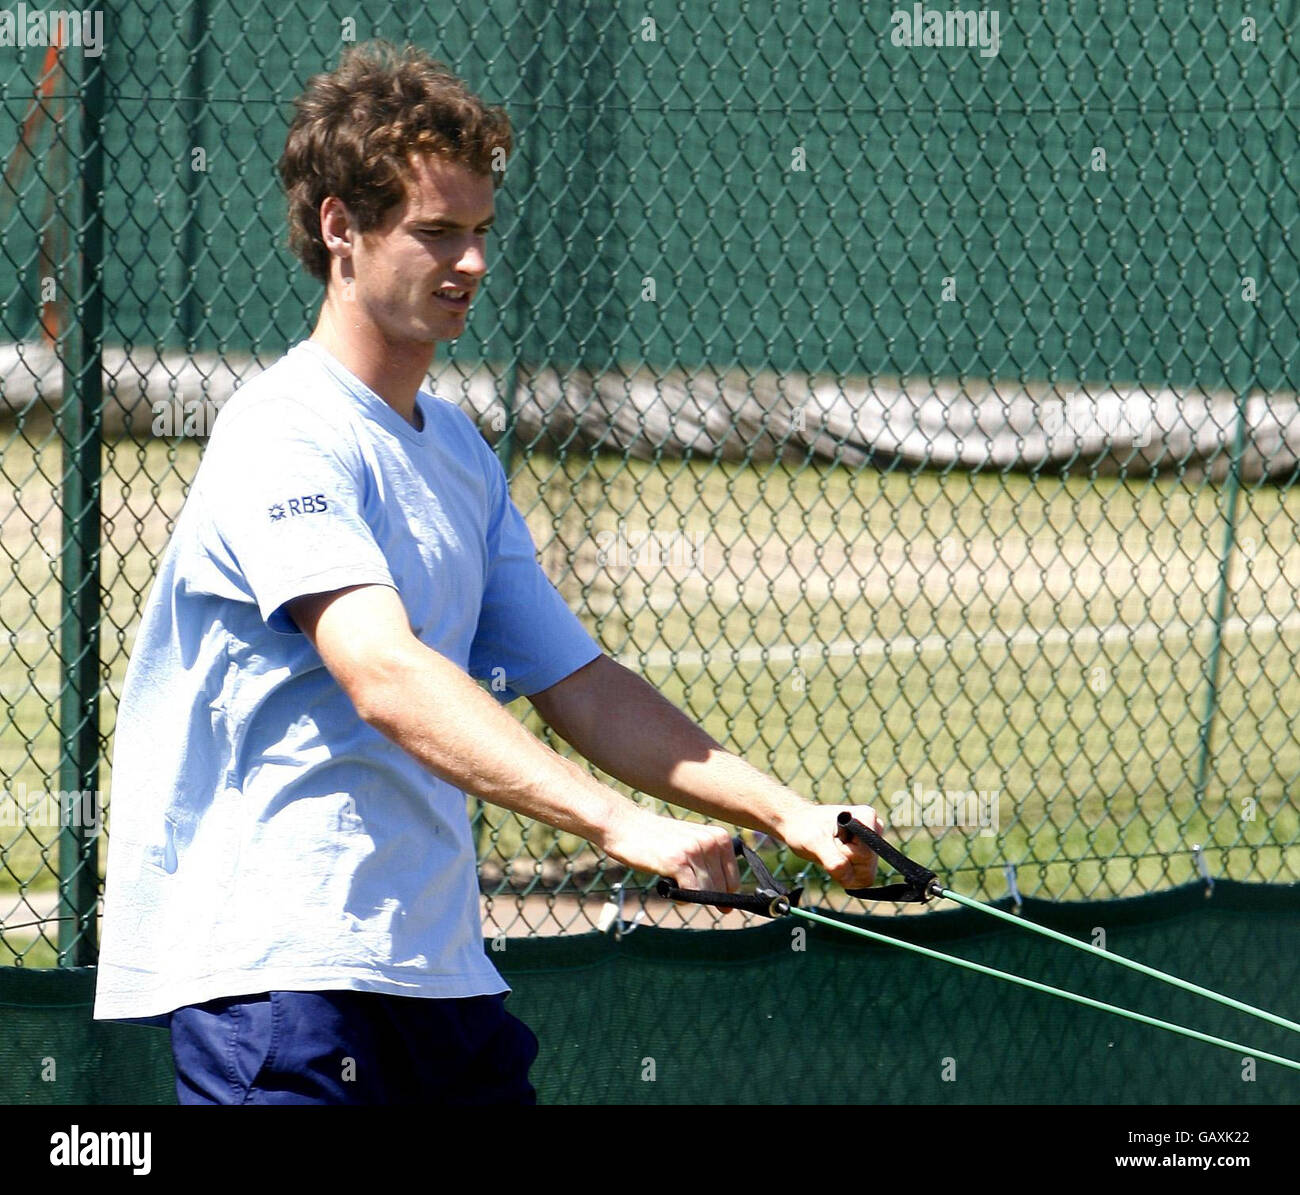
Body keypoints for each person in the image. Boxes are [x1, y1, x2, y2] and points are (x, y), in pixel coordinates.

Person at [93, 40, 883, 1105]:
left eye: (478, 232)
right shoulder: (282, 431)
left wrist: (786, 813)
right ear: (340, 227)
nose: (470, 263)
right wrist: (622, 826)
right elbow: (382, 671)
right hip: (282, 983)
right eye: (436, 232)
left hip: (439, 980)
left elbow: (581, 683)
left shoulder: (458, 451)